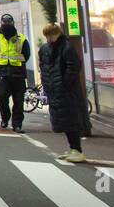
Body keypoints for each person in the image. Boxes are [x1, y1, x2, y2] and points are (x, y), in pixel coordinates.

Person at [38, 23, 89, 163]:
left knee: (71, 120)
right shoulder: (46, 49)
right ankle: (73, 149)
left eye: (51, 35)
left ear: (57, 33)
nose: (49, 38)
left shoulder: (66, 47)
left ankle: (77, 150)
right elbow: (42, 66)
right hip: (55, 90)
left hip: (66, 91)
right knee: (65, 121)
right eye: (47, 36)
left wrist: (64, 84)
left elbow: (73, 67)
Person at [0, 12, 30, 132]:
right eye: (4, 22)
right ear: (1, 23)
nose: (6, 24)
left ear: (13, 23)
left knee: (19, 101)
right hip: (1, 73)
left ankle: (17, 124)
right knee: (1, 96)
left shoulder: (21, 38)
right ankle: (5, 117)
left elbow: (26, 55)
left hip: (18, 74)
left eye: (9, 22)